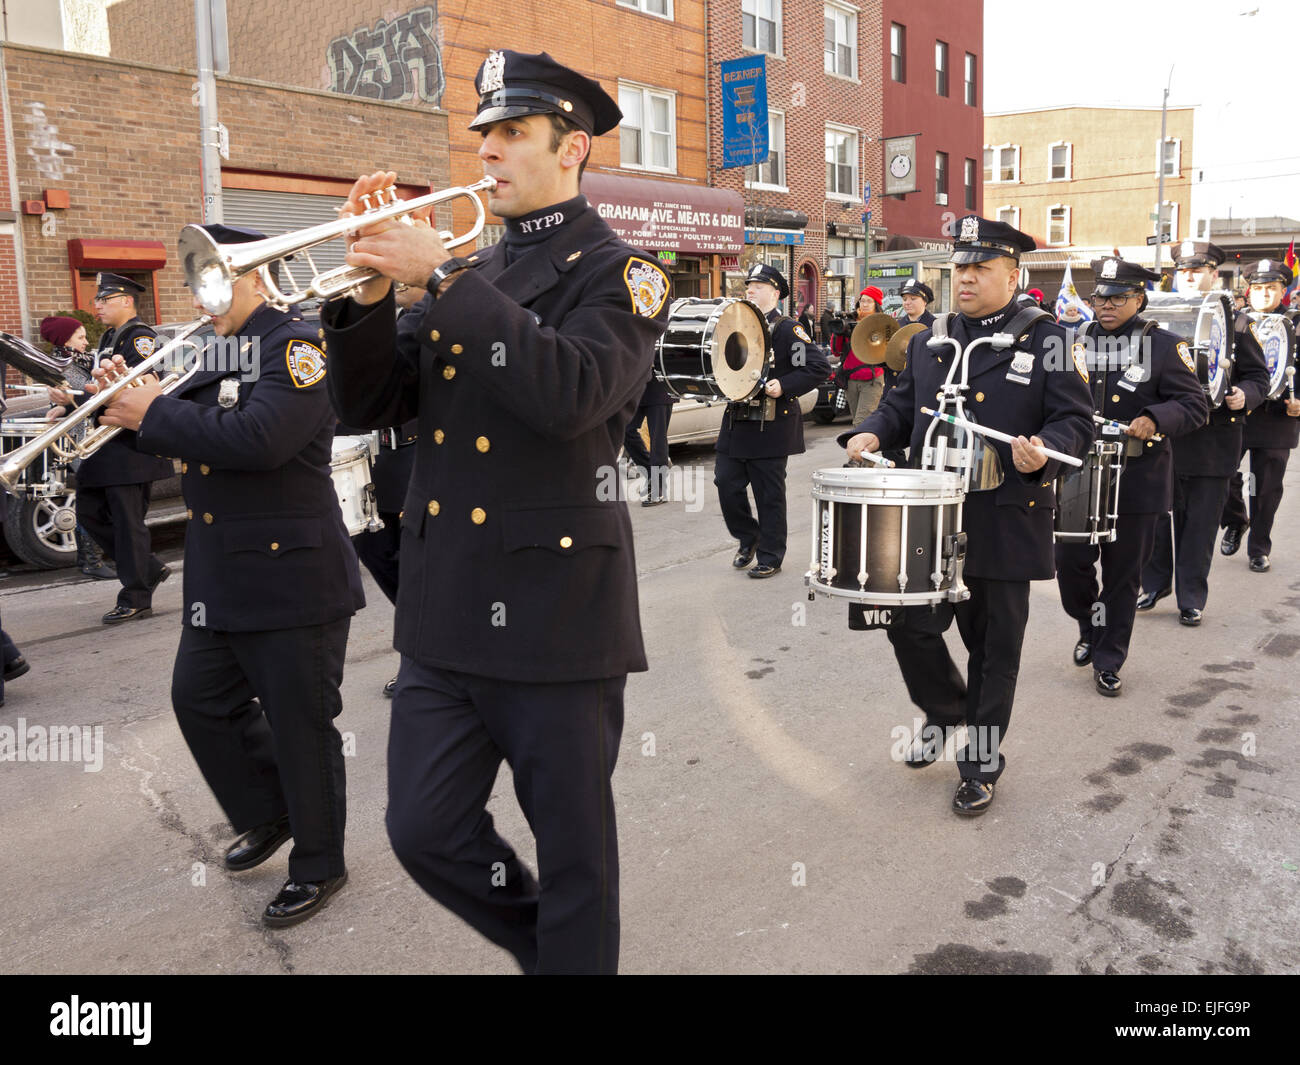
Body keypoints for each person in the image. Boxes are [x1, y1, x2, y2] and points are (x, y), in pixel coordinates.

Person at [320, 48, 671, 974]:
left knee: (578, 860)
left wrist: (439, 281)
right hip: (447, 612)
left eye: (513, 134)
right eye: (484, 136)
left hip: (558, 615)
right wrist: (364, 298)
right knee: (421, 829)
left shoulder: (624, 273)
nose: (488, 153)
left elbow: (573, 395)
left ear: (575, 148)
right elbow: (368, 404)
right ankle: (549, 950)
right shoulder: (469, 269)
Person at [93, 225, 365, 927]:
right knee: (200, 701)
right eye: (197, 279)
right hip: (222, 574)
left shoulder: (299, 346)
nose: (202, 293)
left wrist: (155, 410)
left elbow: (260, 438)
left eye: (217, 276)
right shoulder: (213, 350)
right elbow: (177, 424)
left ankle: (319, 862)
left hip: (290, 576)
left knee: (302, 726)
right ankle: (268, 811)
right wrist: (110, 407)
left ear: (256, 275)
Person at [842, 215, 1093, 816]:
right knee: (905, 622)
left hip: (1004, 515)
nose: (968, 279)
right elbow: (900, 407)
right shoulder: (932, 339)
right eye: (961, 268)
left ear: (1013, 273)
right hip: (929, 518)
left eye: (981, 268)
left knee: (993, 646)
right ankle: (944, 708)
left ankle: (980, 761)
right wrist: (870, 434)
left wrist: (1040, 454)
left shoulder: (1048, 338)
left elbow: (1076, 425)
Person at [1055, 257, 1207, 697]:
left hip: (1137, 477)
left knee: (1122, 576)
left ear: (1139, 300)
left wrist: (1155, 417)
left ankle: (1108, 657)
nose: (1104, 305)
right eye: (1099, 297)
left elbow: (1195, 405)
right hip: (1080, 476)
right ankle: (1088, 625)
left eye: (1117, 298)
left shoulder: (1164, 346)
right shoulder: (1071, 341)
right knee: (1070, 566)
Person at [1138, 241, 1270, 624]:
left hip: (1213, 439)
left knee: (1199, 523)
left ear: (1215, 274)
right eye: (1184, 271)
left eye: (1199, 270)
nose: (1191, 276)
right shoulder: (1155, 319)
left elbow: (1258, 375)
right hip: (1165, 435)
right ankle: (1154, 584)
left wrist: (1246, 394)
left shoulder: (1236, 321)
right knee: (1158, 517)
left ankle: (1191, 597)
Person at [49, 274, 171, 622]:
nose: (97, 305)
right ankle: (146, 568)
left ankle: (136, 596)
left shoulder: (140, 338)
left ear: (126, 301)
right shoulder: (108, 337)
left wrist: (73, 397)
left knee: (127, 522)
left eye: (104, 299)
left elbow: (129, 388)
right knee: (89, 513)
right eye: (97, 299)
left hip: (129, 445)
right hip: (107, 445)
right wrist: (67, 403)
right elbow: (101, 385)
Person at [716, 263, 830, 579]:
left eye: (758, 286)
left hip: (770, 425)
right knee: (726, 485)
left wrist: (785, 385)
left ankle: (770, 555)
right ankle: (748, 537)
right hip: (736, 422)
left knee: (769, 495)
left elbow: (816, 367)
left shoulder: (786, 329)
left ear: (775, 293)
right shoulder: (736, 325)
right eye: (749, 285)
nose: (750, 290)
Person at [347, 283, 423, 697]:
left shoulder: (441, 323)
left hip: (418, 459)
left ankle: (418, 661)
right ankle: (429, 639)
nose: (401, 282)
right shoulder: (383, 327)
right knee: (377, 555)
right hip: (371, 464)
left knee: (418, 568)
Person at [1219, 259, 1300, 570]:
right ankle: (1236, 519)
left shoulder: (1295, 322)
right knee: (1223, 473)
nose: (1265, 294)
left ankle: (1258, 549)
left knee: (1266, 487)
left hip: (1279, 416)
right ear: (1249, 291)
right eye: (1259, 288)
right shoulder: (1232, 322)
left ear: (1283, 291)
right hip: (1236, 412)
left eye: (1272, 288)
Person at [39, 315, 115, 579]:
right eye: (80, 337)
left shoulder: (78, 362)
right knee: (95, 499)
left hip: (87, 437)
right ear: (65, 340)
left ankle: (89, 559)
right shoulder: (64, 367)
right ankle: (92, 560)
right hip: (80, 440)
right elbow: (86, 397)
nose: (86, 342)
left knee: (91, 498)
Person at [834, 286, 887, 423]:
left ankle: (861, 444)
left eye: (869, 301)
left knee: (862, 422)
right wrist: (839, 331)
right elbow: (836, 350)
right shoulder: (849, 321)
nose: (864, 304)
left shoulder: (881, 322)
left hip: (871, 378)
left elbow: (885, 350)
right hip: (851, 378)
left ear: (876, 304)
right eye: (862, 300)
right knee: (857, 421)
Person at [622, 368, 674, 506]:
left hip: (660, 388)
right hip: (637, 389)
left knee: (657, 440)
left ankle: (659, 489)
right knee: (625, 431)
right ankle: (652, 474)